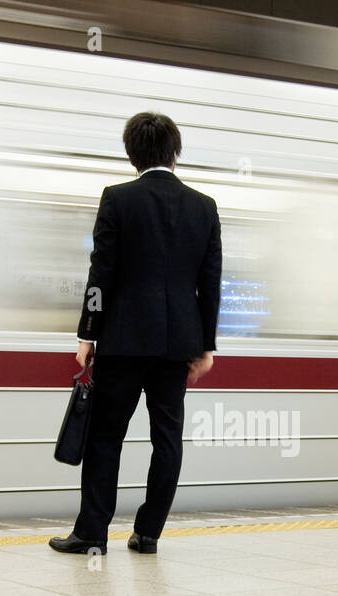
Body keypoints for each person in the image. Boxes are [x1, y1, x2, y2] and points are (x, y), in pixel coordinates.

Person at [49, 113, 221, 556]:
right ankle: (148, 534)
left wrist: (87, 334)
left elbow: (100, 273)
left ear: (132, 155)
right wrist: (206, 345)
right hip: (177, 347)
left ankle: (92, 534)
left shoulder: (118, 199)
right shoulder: (204, 207)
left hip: (123, 343)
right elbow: (211, 281)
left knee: (106, 436)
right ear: (175, 152)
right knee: (167, 439)